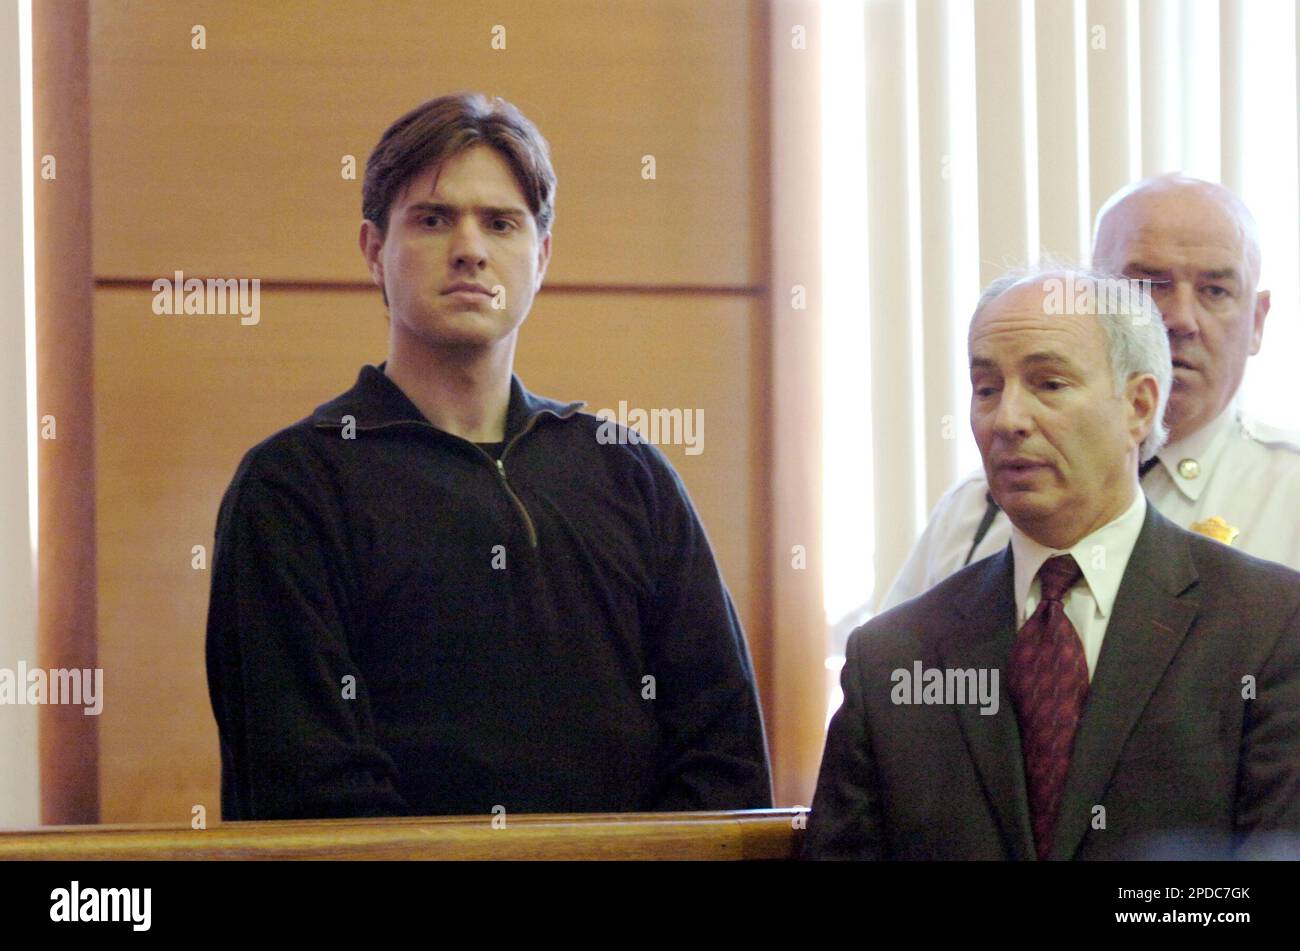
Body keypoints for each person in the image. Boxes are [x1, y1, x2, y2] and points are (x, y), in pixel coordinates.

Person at [205, 92, 772, 820]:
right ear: (374, 251)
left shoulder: (628, 474)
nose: (470, 247)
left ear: (540, 258)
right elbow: (308, 788)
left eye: (501, 222)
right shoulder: (292, 488)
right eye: (434, 219)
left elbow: (723, 759)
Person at [804, 269, 1300, 860]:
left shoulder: (1267, 623)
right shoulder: (892, 655)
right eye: (987, 388)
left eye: (1049, 384)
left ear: (1138, 407)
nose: (1007, 419)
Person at [881, 175, 1300, 614]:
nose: (1180, 318)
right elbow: (895, 666)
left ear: (1257, 320)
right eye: (1148, 286)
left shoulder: (1286, 496)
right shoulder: (978, 509)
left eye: (1215, 291)